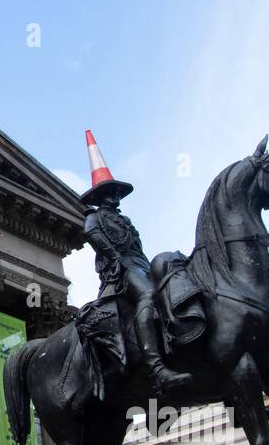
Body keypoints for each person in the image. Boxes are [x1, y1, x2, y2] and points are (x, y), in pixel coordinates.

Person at [77, 131, 193, 397]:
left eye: (117, 191)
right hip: (120, 271)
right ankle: (156, 365)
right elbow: (93, 237)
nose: (115, 195)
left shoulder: (125, 221)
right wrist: (115, 258)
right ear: (99, 196)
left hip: (139, 265)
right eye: (110, 191)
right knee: (148, 295)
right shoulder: (94, 218)